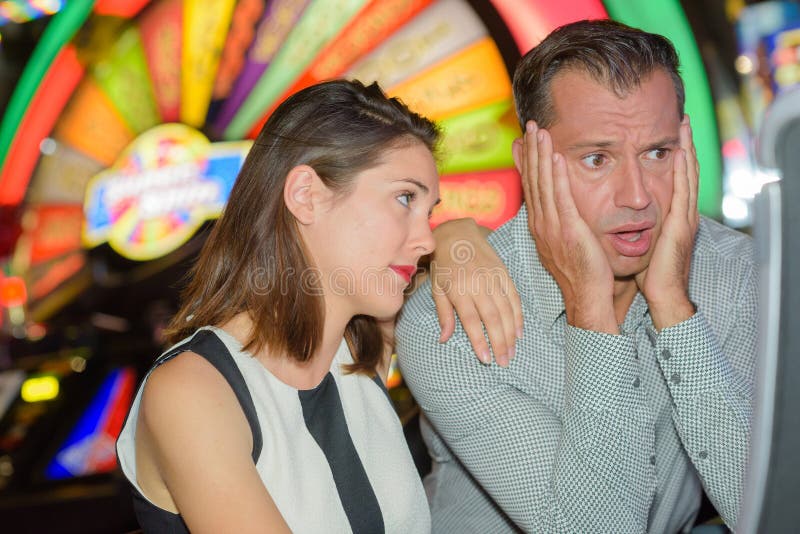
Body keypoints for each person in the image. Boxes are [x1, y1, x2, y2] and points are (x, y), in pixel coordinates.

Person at [396, 19, 757, 533]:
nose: (637, 196)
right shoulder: (449, 319)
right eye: (596, 159)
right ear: (530, 161)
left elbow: (769, 511)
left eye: (657, 153)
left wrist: (675, 310)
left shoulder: (738, 272)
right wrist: (590, 308)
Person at [116, 79, 520, 533]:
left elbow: (492, 263)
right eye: (405, 198)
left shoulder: (367, 341)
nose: (424, 238)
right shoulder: (193, 389)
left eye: (428, 213)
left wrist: (457, 233)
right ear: (306, 195)